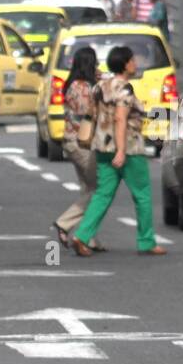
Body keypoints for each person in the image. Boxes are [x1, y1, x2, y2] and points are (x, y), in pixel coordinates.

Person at [71, 45, 167, 257]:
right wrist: (121, 151)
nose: (135, 63)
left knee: (102, 194)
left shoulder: (99, 87)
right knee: (142, 195)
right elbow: (120, 118)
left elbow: (93, 115)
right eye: (132, 60)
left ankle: (82, 235)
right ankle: (146, 241)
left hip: (101, 146)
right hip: (128, 147)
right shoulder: (124, 89)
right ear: (125, 64)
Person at [53, 46, 104, 252]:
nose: (99, 66)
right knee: (99, 191)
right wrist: (100, 86)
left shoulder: (73, 85)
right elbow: (91, 113)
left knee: (87, 188)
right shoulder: (83, 88)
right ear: (89, 65)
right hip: (82, 144)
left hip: (72, 143)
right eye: (96, 63)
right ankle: (64, 223)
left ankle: (88, 238)